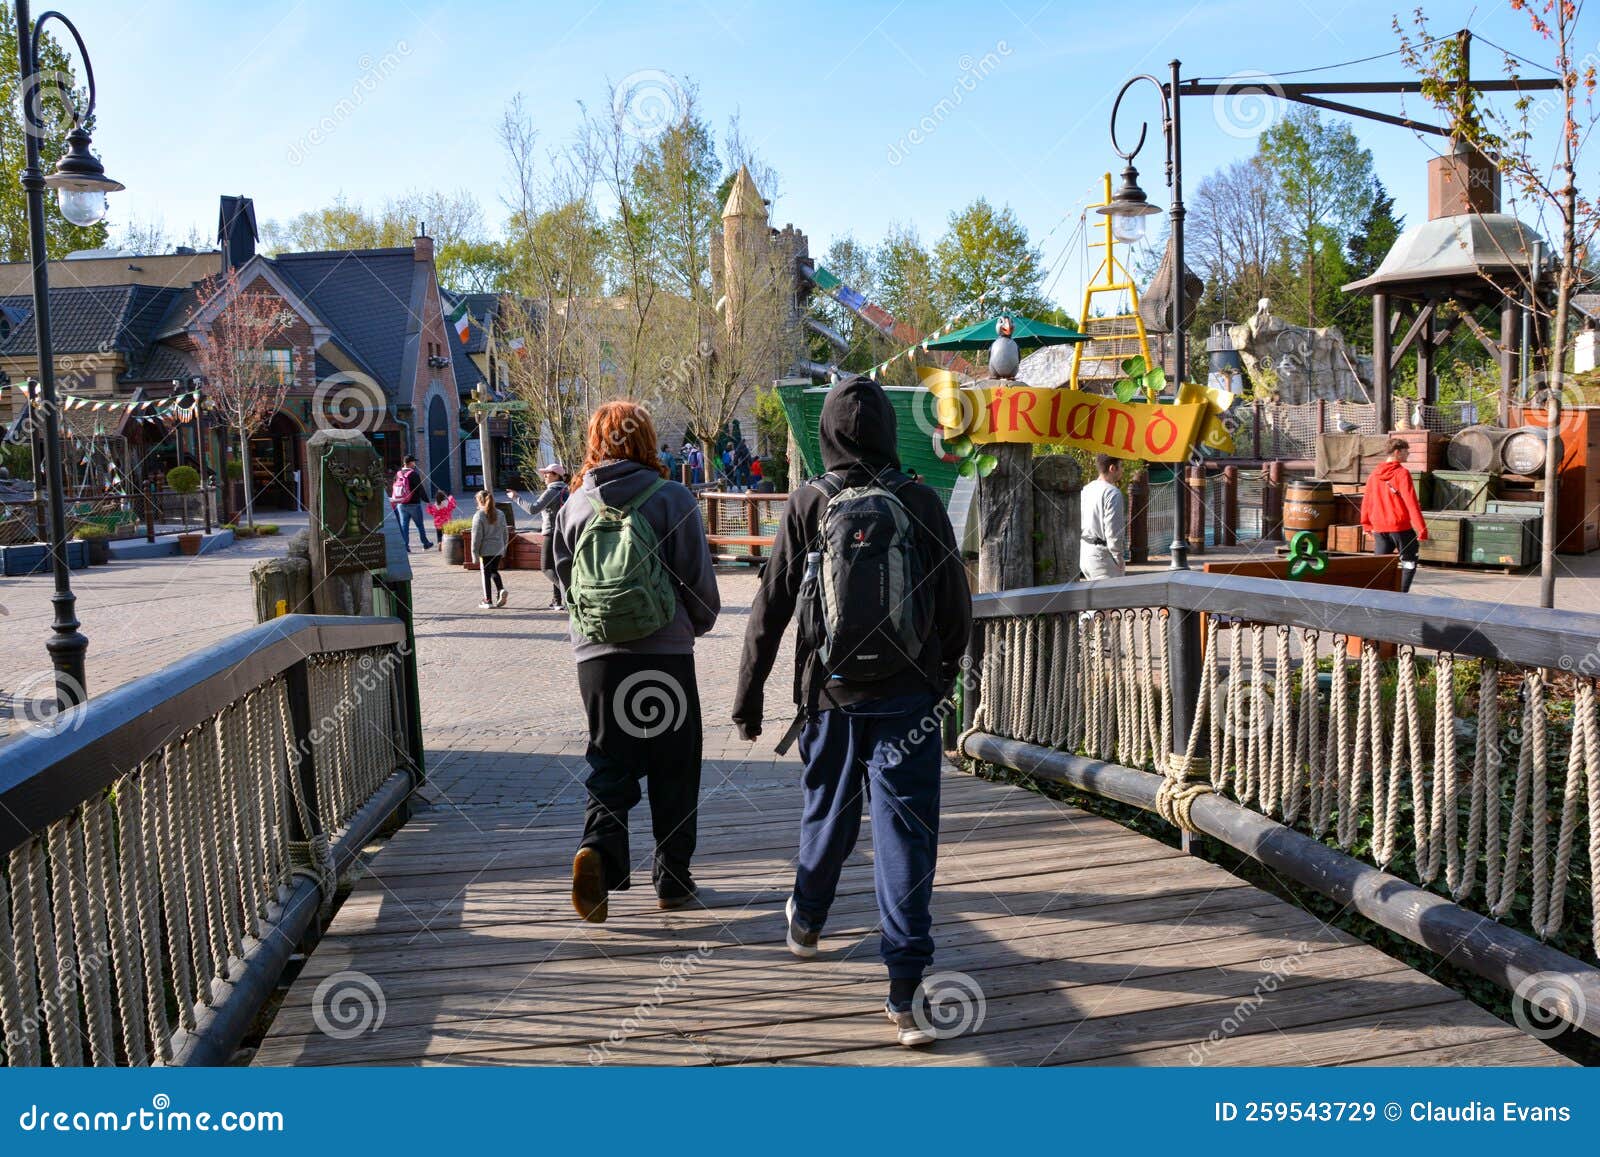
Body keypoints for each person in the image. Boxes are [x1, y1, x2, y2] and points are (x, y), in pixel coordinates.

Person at [731, 374, 971, 1048]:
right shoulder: (921, 500)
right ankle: (905, 993)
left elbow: (770, 608)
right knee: (905, 836)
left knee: (829, 813)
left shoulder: (809, 501)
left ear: (828, 434)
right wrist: (941, 679)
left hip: (830, 696)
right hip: (909, 699)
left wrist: (749, 697)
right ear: (890, 432)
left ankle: (806, 920)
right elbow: (956, 604)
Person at [553, 401, 720, 922]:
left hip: (597, 660)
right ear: (646, 440)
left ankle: (598, 850)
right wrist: (692, 624)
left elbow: (561, 582)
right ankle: (672, 878)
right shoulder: (672, 498)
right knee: (675, 762)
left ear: (594, 444)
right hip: (664, 658)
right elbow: (701, 588)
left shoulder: (573, 506)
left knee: (609, 757)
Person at [1362, 438, 1429, 592]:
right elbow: (1411, 503)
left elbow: (1367, 501)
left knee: (1379, 566)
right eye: (1406, 451)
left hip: (1379, 528)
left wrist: (1366, 524)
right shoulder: (1402, 473)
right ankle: (1401, 595)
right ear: (1397, 452)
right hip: (1400, 527)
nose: (1409, 454)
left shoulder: (1374, 475)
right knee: (1409, 562)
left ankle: (1378, 595)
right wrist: (1422, 529)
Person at [507, 464, 570, 609]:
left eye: (548, 473)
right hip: (563, 532)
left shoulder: (552, 491)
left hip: (551, 533)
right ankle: (557, 601)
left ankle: (569, 594)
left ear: (556, 475)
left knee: (546, 567)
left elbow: (533, 509)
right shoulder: (566, 490)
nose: (545, 476)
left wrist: (516, 498)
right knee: (556, 567)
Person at [1079, 454, 1127, 580]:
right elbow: (1113, 531)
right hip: (1103, 558)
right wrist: (1119, 559)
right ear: (1112, 468)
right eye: (1121, 466)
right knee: (1112, 598)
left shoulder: (1086, 489)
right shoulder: (1112, 493)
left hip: (1085, 553)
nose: (1122, 470)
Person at [469, 490, 509, 608]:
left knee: (485, 574)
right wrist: (504, 547)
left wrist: (474, 554)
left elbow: (476, 536)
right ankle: (500, 590)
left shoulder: (479, 515)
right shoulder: (500, 513)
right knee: (494, 571)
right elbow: (505, 532)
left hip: (485, 549)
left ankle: (487, 600)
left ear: (479, 501)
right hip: (498, 548)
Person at [391, 456, 431, 551]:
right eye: (414, 462)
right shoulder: (413, 474)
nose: (415, 464)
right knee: (419, 525)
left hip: (401, 504)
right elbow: (420, 489)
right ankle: (425, 543)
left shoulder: (398, 473)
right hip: (414, 504)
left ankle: (405, 546)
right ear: (411, 463)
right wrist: (427, 500)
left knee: (404, 526)